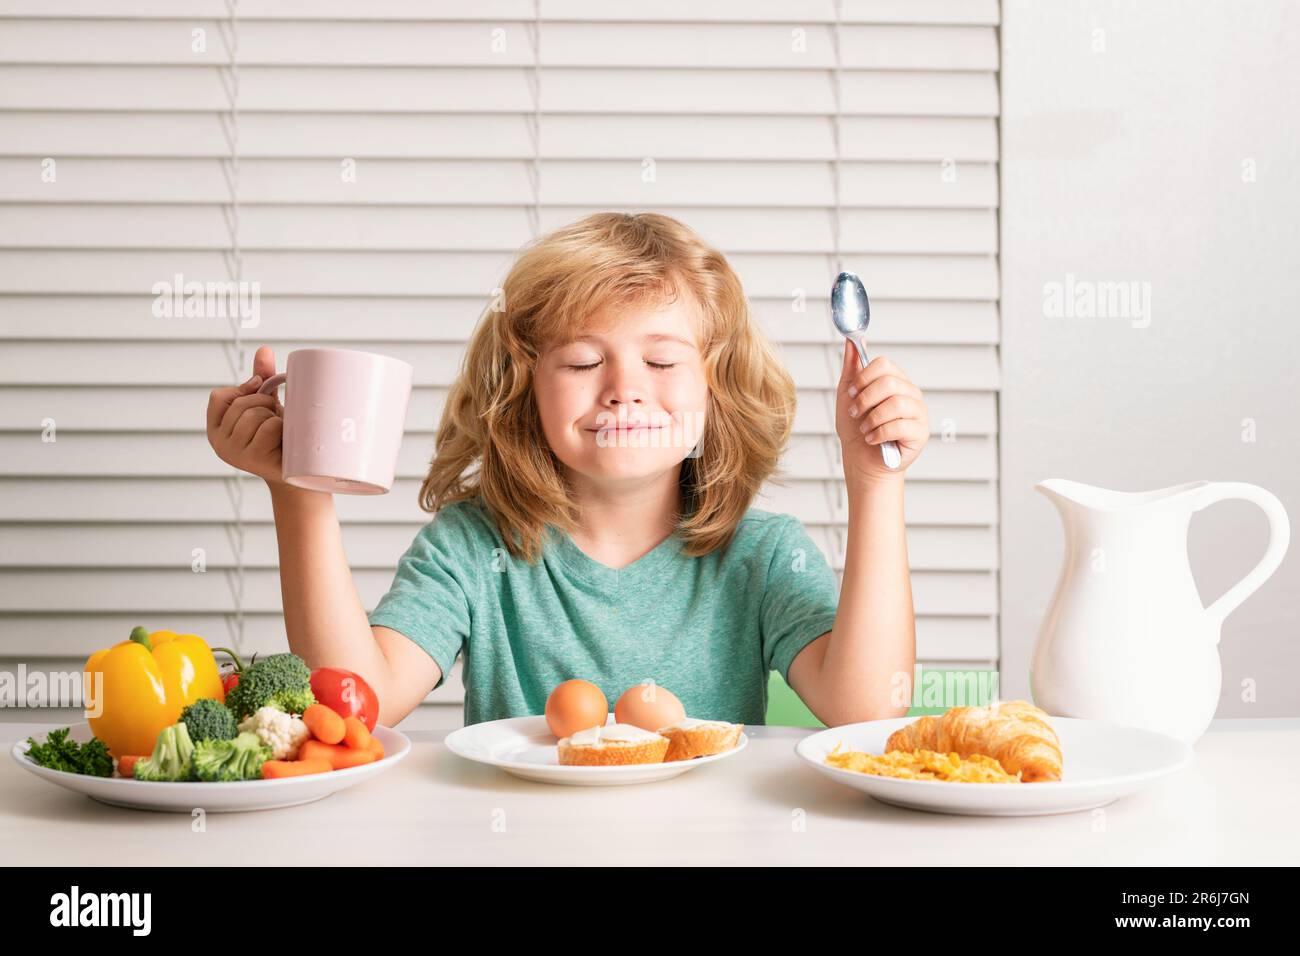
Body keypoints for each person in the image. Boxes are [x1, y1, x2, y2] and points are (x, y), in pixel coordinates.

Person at [206, 212, 927, 728]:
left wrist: (875, 483)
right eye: (583, 361)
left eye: (663, 360)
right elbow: (350, 705)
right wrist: (297, 491)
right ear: (525, 391)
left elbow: (868, 707)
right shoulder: (471, 548)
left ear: (717, 384)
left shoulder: (760, 557)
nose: (623, 387)